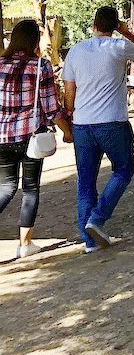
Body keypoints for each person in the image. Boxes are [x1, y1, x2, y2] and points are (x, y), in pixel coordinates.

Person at [62, 6, 134, 250]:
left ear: (93, 25)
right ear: (115, 26)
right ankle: (98, 217)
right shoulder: (119, 46)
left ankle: (89, 241)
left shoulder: (75, 50)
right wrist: (126, 32)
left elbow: (69, 92)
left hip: (83, 124)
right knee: (123, 170)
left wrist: (71, 117)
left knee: (85, 182)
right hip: (112, 121)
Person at [0, 20, 72, 259]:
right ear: (34, 40)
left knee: (6, 188)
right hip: (31, 137)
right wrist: (67, 131)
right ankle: (25, 245)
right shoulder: (40, 66)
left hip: (2, 137)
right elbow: (51, 107)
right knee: (30, 189)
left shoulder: (0, 65)